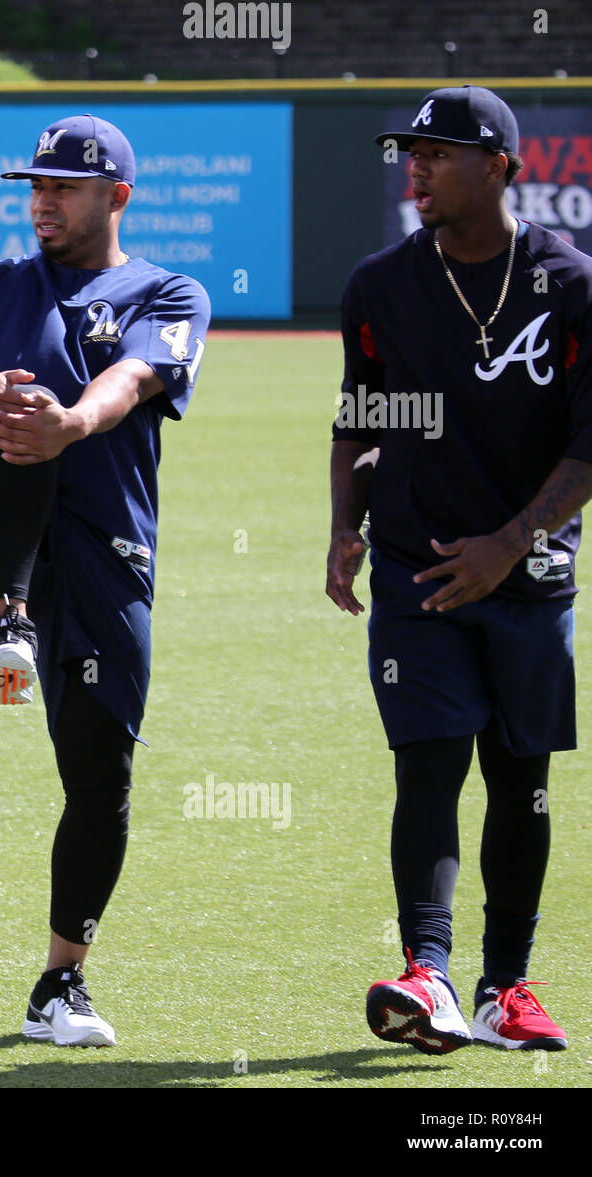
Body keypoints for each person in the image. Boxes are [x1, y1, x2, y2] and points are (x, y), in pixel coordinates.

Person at [0, 114, 210, 1046]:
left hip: (108, 550)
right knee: (14, 398)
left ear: (116, 196)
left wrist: (76, 423)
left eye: (64, 185)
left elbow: (134, 377)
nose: (42, 199)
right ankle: (9, 614)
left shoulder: (167, 290)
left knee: (102, 777)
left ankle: (59, 984)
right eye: (33, 185)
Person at [328, 84, 592, 1054]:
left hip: (530, 580)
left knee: (521, 783)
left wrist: (510, 542)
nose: (417, 166)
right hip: (416, 577)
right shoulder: (381, 286)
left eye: (437, 152)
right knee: (428, 768)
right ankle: (428, 977)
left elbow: (588, 445)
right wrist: (344, 525)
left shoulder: (569, 286)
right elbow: (360, 417)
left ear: (500, 169)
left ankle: (505, 988)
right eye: (411, 151)